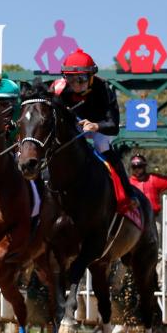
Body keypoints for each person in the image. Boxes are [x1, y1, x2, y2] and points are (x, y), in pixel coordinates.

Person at [52, 49, 133, 214]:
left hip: (99, 128)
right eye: (70, 78)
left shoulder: (104, 88)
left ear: (91, 77)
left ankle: (129, 195)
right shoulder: (59, 89)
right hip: (73, 126)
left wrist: (95, 126)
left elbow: (113, 125)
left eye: (80, 79)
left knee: (103, 147)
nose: (75, 85)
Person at [128, 154, 167, 233]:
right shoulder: (128, 183)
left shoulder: (153, 179)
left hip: (153, 218)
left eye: (139, 166)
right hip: (136, 219)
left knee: (155, 237)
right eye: (134, 167)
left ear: (144, 167)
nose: (137, 169)